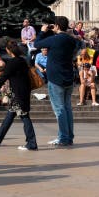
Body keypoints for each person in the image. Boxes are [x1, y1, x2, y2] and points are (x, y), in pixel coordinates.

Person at [33, 16, 79, 147]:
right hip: (69, 77)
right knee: (67, 108)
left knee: (59, 109)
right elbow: (79, 45)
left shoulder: (53, 40)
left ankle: (63, 137)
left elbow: (36, 44)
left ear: (57, 26)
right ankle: (68, 136)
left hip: (55, 78)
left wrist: (42, 31)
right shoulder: (71, 40)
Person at [0, 40, 38, 150]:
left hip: (18, 95)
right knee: (10, 116)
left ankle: (32, 143)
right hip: (22, 93)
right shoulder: (22, 61)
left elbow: (2, 80)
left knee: (24, 117)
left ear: (8, 50)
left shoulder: (12, 63)